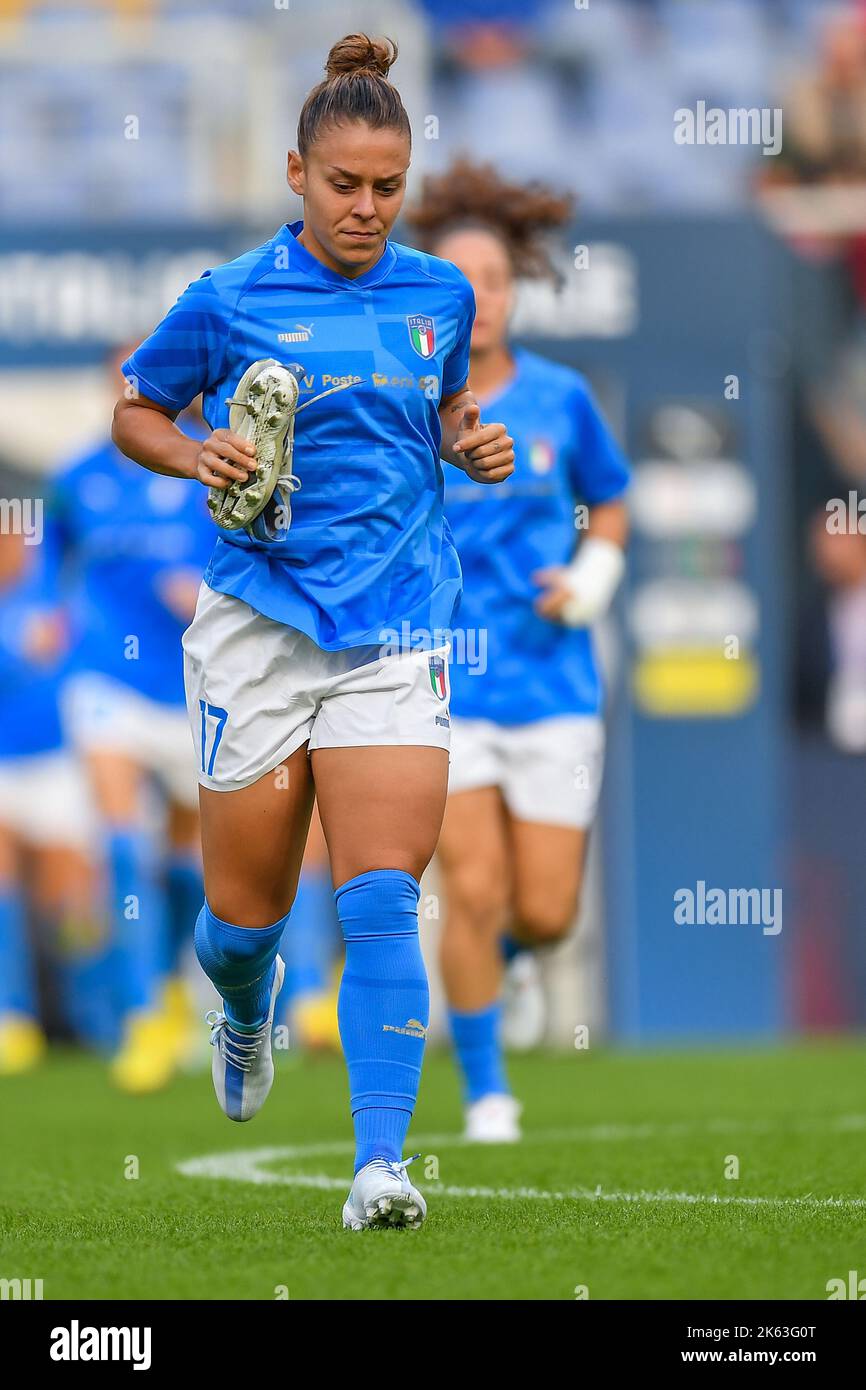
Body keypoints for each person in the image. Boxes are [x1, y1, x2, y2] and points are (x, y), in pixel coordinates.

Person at [111, 34, 514, 1230]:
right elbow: (137, 408)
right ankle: (244, 1006)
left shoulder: (439, 294)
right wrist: (196, 452)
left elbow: (437, 419)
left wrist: (469, 444)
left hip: (395, 624)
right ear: (296, 174)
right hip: (259, 627)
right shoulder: (229, 296)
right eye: (344, 184)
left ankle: (379, 1167)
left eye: (387, 186)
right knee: (246, 919)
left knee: (384, 892)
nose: (367, 207)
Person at [406, 159, 630, 1142]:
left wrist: (588, 581)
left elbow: (612, 502)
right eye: (458, 284)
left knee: (540, 910)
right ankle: (487, 1090)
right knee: (472, 884)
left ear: (513, 289)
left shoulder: (561, 398)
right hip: (441, 685)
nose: (478, 300)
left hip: (552, 681)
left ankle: (513, 957)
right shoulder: (402, 402)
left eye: (492, 282)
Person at [55, 349, 213, 1092]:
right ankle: (141, 1012)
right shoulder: (76, 479)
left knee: (186, 858)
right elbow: (49, 565)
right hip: (104, 681)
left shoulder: (205, 464)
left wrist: (207, 593)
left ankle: (178, 988)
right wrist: (51, 624)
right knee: (123, 843)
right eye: (122, 379)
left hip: (186, 684)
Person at [0, 500, 94, 1073]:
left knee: (70, 904)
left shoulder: (64, 598)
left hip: (60, 765)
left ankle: (96, 1023)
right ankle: (12, 1019)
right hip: (2, 767)